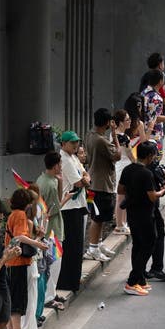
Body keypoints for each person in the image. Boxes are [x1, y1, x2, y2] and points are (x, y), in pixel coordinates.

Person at [118, 141, 165, 296]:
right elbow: (152, 196)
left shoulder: (128, 169)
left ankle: (140, 280)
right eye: (153, 154)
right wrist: (163, 190)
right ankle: (132, 282)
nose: (154, 157)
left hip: (132, 213)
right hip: (145, 214)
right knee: (149, 244)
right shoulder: (146, 173)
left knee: (138, 245)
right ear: (149, 156)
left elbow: (120, 189)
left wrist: (134, 192)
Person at [4, 188, 48, 329]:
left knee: (11, 298)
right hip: (18, 262)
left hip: (10, 262)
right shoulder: (21, 215)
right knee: (17, 299)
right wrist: (37, 243)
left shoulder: (12, 215)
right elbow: (20, 236)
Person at [84, 108, 121, 262]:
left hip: (94, 182)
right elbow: (118, 155)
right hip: (102, 184)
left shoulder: (90, 135)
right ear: (107, 122)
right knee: (98, 218)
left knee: (97, 216)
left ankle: (97, 245)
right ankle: (93, 248)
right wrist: (114, 134)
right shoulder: (101, 140)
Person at [57, 130, 90, 294]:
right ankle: (68, 281)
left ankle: (73, 279)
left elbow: (85, 174)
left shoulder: (73, 158)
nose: (76, 145)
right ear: (64, 144)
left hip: (77, 205)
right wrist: (84, 179)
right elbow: (79, 182)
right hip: (69, 207)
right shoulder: (64, 159)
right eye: (72, 142)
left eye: (77, 142)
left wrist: (85, 178)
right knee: (71, 245)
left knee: (77, 245)